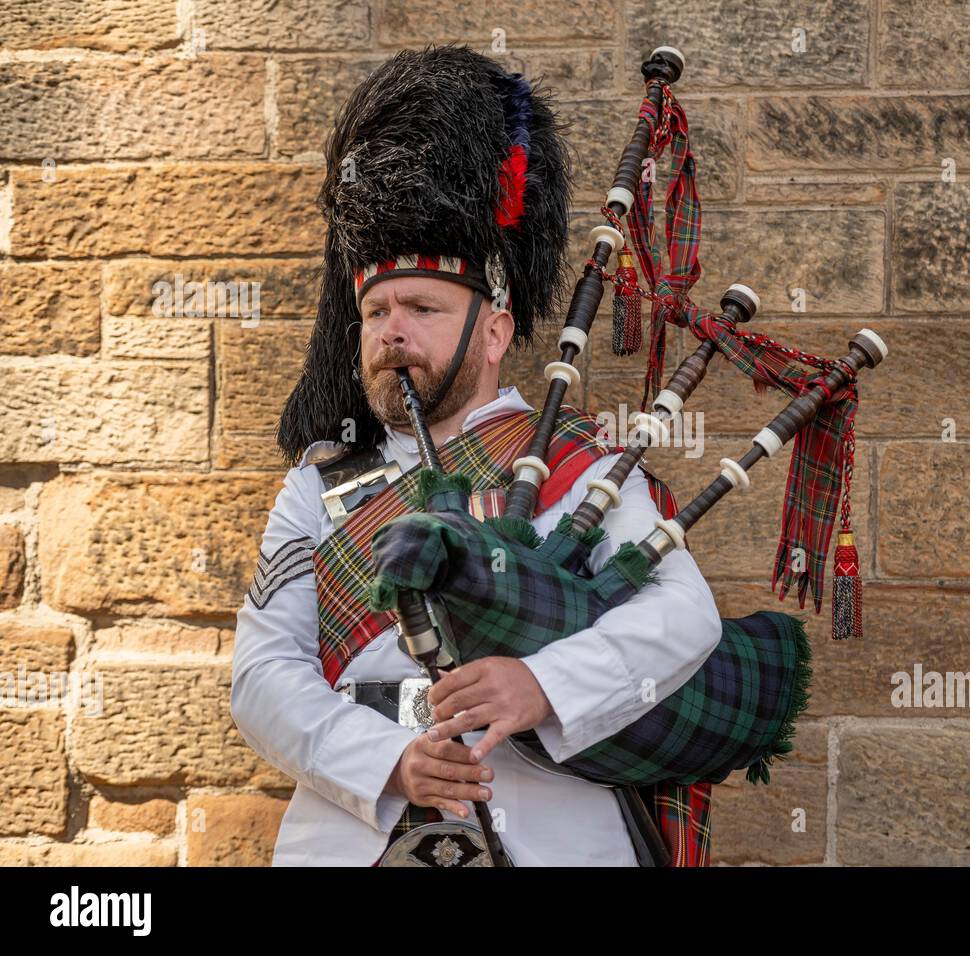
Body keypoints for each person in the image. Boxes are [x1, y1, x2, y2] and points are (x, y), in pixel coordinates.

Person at [230, 45, 722, 866]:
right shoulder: (317, 487)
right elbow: (262, 675)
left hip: (551, 820)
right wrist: (387, 758)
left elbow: (682, 613)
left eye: (422, 306)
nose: (392, 330)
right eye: (377, 310)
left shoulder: (573, 461)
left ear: (493, 331)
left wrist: (542, 685)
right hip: (354, 826)